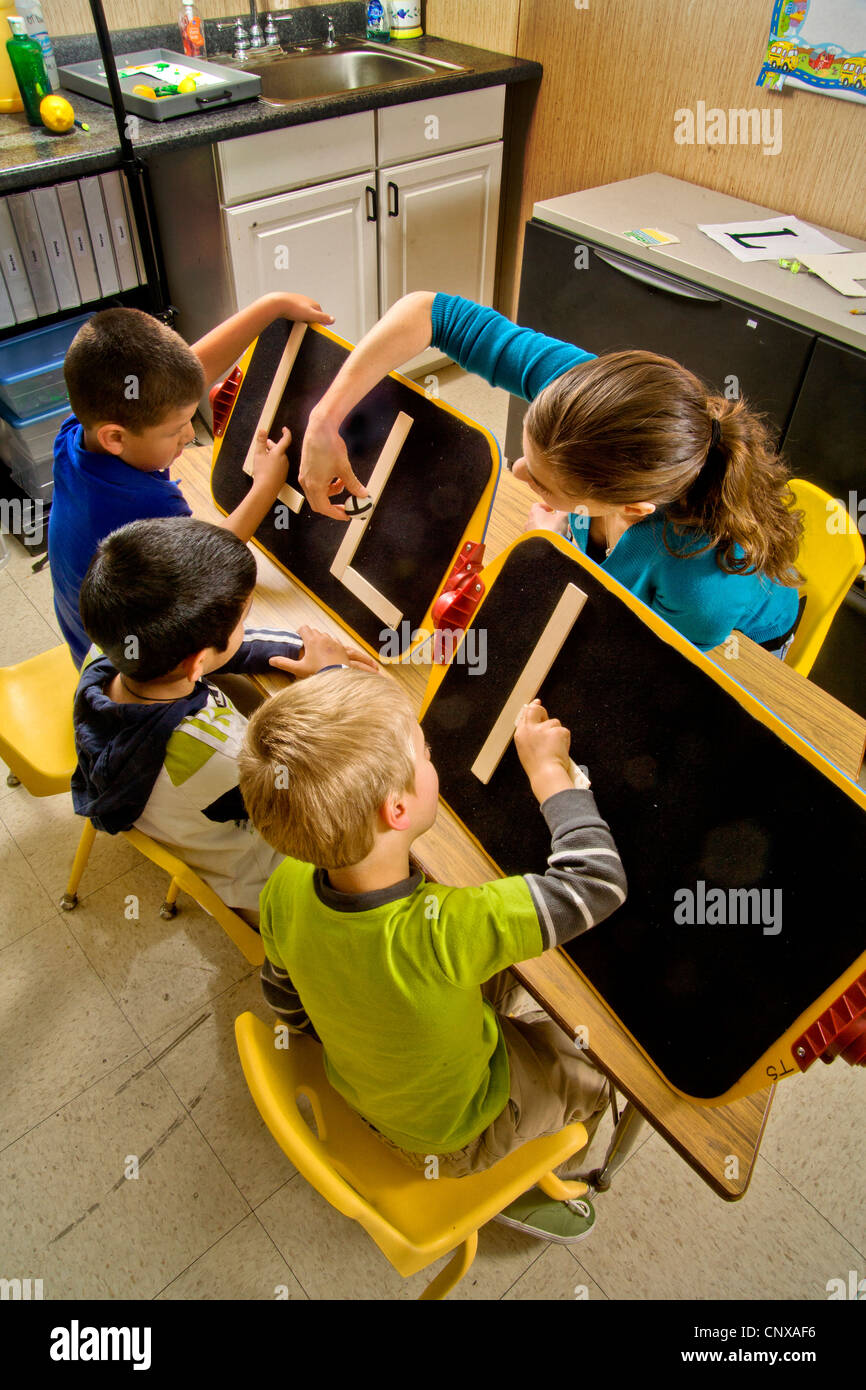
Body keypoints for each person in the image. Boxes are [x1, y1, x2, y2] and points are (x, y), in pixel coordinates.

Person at [238, 669, 628, 1242]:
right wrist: (551, 776)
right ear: (397, 809)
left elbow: (287, 999)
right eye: (424, 753)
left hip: (366, 1092)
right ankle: (523, 1182)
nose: (432, 755)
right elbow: (597, 883)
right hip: (458, 1134)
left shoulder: (285, 888)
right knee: (602, 1074)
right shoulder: (448, 930)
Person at [298, 291, 804, 656]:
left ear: (631, 508)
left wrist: (545, 560)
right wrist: (325, 419)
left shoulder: (702, 585)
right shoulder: (581, 401)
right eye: (527, 455)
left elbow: (629, 664)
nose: (517, 473)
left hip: (744, 650)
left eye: (543, 484)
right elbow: (430, 312)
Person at [71, 516, 377, 921]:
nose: (244, 626)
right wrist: (331, 678)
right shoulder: (216, 754)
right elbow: (313, 782)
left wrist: (297, 650)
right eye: (242, 619)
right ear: (198, 661)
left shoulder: (110, 651)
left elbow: (218, 648)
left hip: (179, 814)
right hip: (261, 875)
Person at [49, 292, 334, 667]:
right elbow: (212, 561)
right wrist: (265, 487)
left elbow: (179, 380)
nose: (189, 435)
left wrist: (271, 306)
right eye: (175, 430)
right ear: (115, 437)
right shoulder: (147, 505)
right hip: (129, 662)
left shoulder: (76, 431)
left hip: (86, 640)